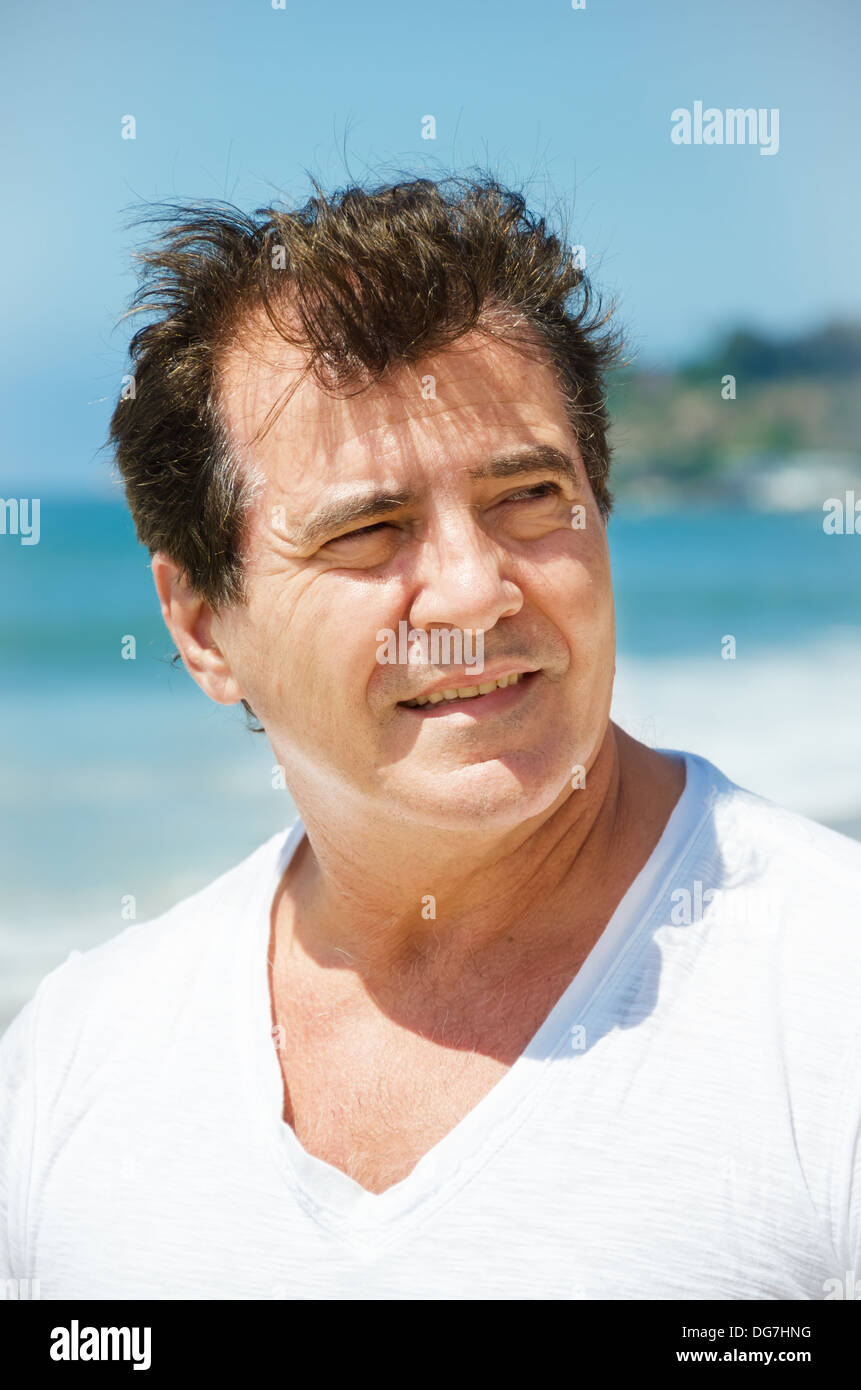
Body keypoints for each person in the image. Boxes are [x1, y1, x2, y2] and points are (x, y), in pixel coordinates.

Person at [1, 176, 859, 1300]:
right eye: (368, 529)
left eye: (531, 497)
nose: (473, 590)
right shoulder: (76, 1062)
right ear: (204, 627)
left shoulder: (824, 997)